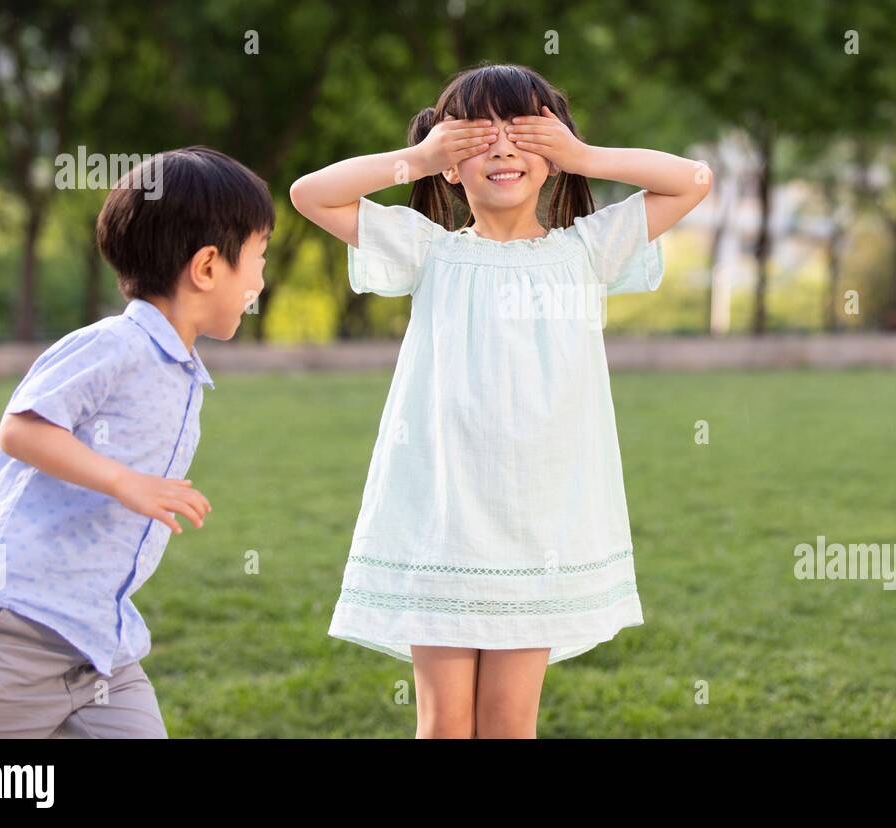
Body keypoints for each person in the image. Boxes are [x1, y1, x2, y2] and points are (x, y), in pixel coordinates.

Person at [290, 62, 712, 737]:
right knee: (444, 725)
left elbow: (694, 179)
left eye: (524, 133)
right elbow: (310, 193)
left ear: (551, 156)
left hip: (537, 532)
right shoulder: (428, 251)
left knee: (509, 725)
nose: (503, 149)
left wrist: (582, 155)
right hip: (443, 523)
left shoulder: (587, 252)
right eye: (478, 136)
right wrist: (418, 158)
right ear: (453, 164)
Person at [0, 147, 273, 738]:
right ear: (207, 267)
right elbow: (22, 429)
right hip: (14, 631)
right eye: (258, 259)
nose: (261, 280)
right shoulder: (115, 344)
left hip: (100, 645)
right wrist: (124, 481)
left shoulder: (180, 369)